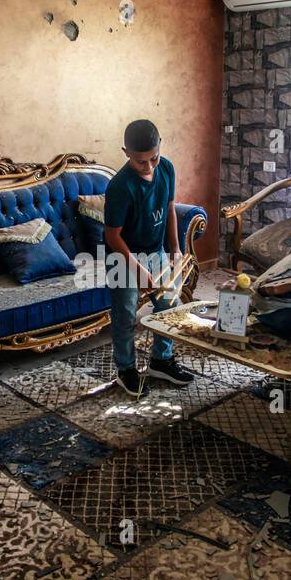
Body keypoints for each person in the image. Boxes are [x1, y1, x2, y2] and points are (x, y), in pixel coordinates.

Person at [102, 118, 196, 396]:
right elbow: (112, 236)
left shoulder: (166, 168)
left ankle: (161, 361)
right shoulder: (120, 187)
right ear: (126, 152)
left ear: (159, 147)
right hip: (123, 256)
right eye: (141, 161)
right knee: (125, 315)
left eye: (153, 158)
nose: (149, 166)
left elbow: (169, 209)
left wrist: (175, 249)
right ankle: (126, 369)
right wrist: (139, 269)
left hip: (155, 251)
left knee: (169, 306)